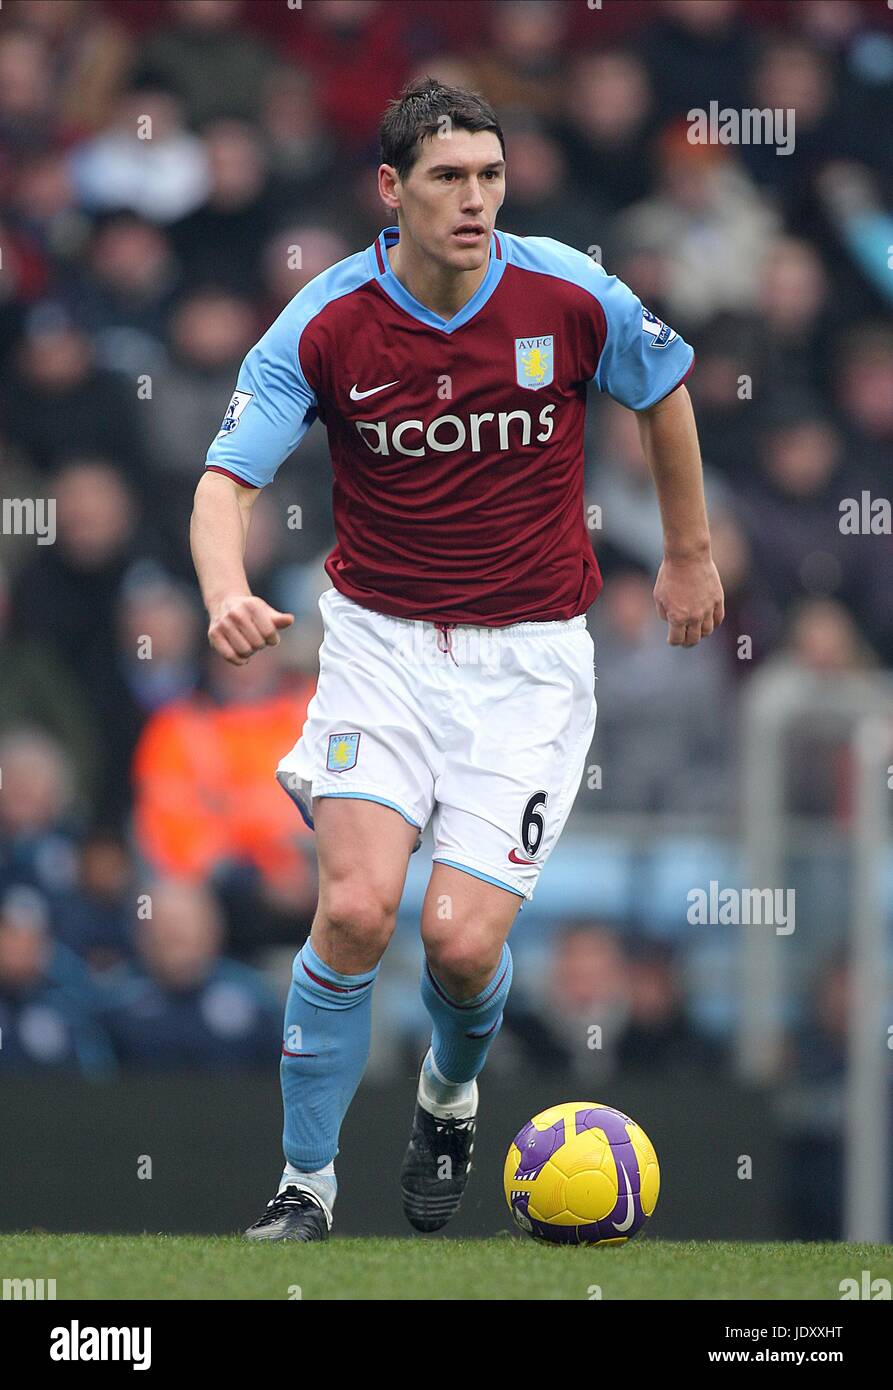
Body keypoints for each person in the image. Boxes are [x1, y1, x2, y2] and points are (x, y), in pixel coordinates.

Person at [189, 77, 724, 1243]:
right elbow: (224, 482)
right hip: (379, 648)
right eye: (446, 178)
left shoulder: (566, 291)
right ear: (391, 190)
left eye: (488, 175)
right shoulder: (325, 322)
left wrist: (685, 555)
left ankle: (446, 1093)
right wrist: (227, 590)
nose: (474, 199)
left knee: (460, 941)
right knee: (356, 910)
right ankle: (305, 1189)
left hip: (530, 664)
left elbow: (666, 389)